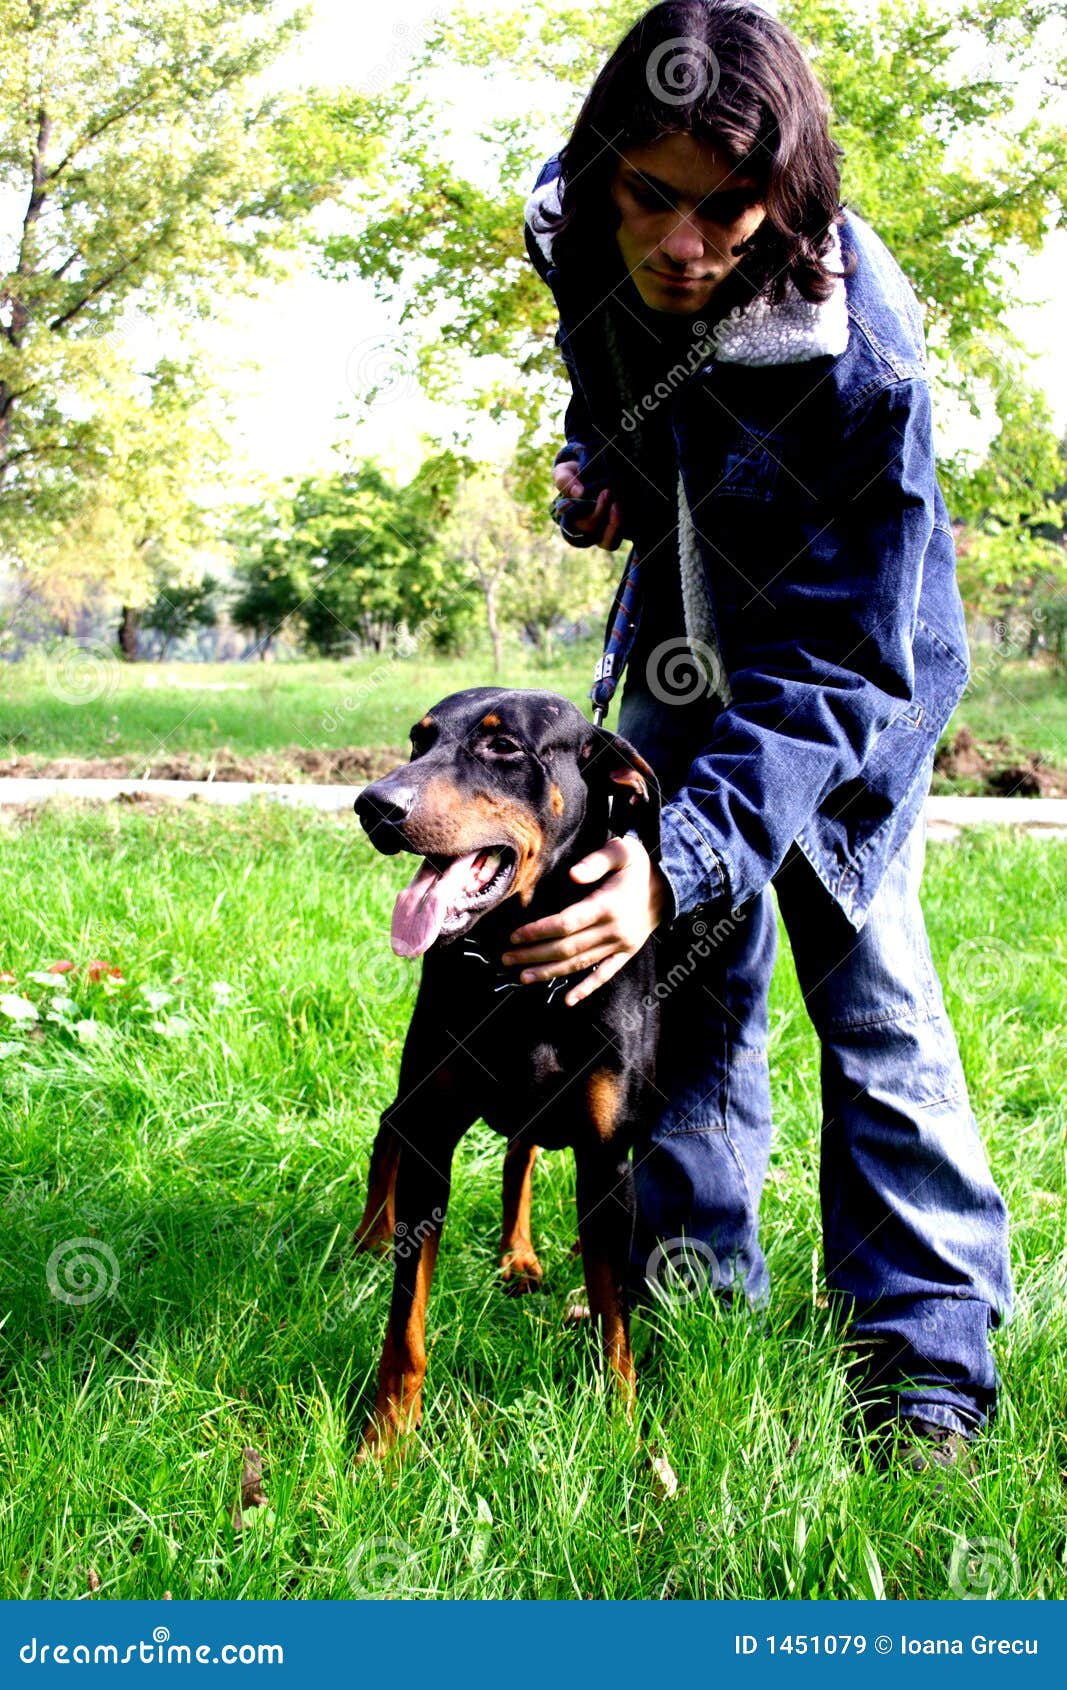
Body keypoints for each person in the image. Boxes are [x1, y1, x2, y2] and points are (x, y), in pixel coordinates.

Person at [507, 0, 1012, 1468]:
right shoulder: (569, 224)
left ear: (789, 201)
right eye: (651, 200)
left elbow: (839, 661)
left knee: (867, 979)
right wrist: (599, 462)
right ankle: (695, 1291)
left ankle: (924, 1365)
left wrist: (690, 848)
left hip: (844, 675)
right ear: (605, 174)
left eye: (729, 211)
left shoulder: (869, 366)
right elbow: (614, 379)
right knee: (679, 972)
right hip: (681, 619)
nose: (682, 244)